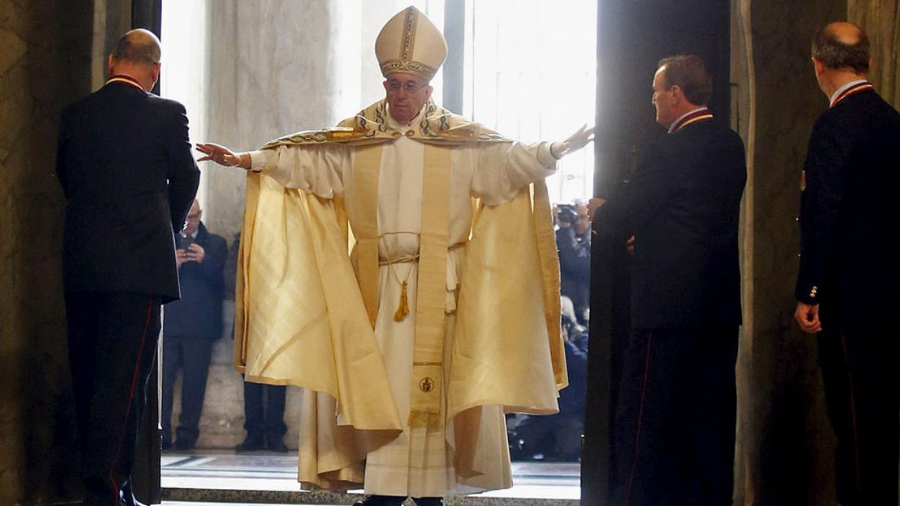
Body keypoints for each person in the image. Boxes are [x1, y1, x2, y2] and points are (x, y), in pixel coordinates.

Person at [197, 6, 592, 506]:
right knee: (378, 392)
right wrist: (248, 158)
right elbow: (306, 162)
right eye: (393, 84)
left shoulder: (459, 139)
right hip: (375, 288)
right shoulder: (358, 137)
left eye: (410, 86)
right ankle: (381, 487)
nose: (400, 95)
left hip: (439, 290)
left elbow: (508, 164)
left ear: (429, 89)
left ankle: (427, 492)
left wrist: (554, 150)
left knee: (428, 397)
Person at [56, 29, 199, 506]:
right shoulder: (167, 113)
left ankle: (105, 485)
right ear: (155, 72)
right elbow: (186, 177)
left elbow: (66, 176)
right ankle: (108, 491)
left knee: (89, 377)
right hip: (139, 272)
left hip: (82, 267)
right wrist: (168, 227)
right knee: (125, 382)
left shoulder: (76, 113)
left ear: (112, 61)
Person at [595, 55, 746, 506]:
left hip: (665, 309)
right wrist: (653, 235)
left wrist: (602, 212)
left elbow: (627, 209)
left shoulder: (668, 146)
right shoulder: (731, 143)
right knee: (708, 422)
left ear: (677, 95)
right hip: (717, 308)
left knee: (644, 424)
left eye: (657, 92)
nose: (654, 101)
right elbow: (693, 217)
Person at [793, 22, 900, 505]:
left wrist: (810, 290)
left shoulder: (834, 124)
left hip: (849, 298)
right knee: (883, 415)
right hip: (892, 294)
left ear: (819, 65)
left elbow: (824, 211)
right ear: (868, 63)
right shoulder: (893, 121)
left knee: (854, 420)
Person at [161, 200, 227, 451]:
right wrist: (173, 265)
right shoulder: (166, 240)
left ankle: (187, 435)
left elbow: (225, 282)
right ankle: (162, 435)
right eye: (185, 217)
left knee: (194, 386)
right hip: (169, 325)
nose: (189, 223)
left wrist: (204, 261)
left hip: (200, 327)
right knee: (163, 386)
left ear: (201, 216)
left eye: (194, 217)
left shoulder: (216, 244)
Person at [224, 232, 289, 453]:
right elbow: (230, 275)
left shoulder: (285, 236)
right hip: (249, 317)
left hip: (278, 317)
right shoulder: (241, 238)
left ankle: (274, 433)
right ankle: (253, 432)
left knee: (277, 380)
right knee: (250, 380)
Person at [556, 202, 591, 323]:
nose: (577, 221)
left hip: (583, 308)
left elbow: (577, 263)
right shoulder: (559, 237)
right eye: (575, 217)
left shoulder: (594, 239)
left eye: (582, 216)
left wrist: (565, 231)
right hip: (562, 305)